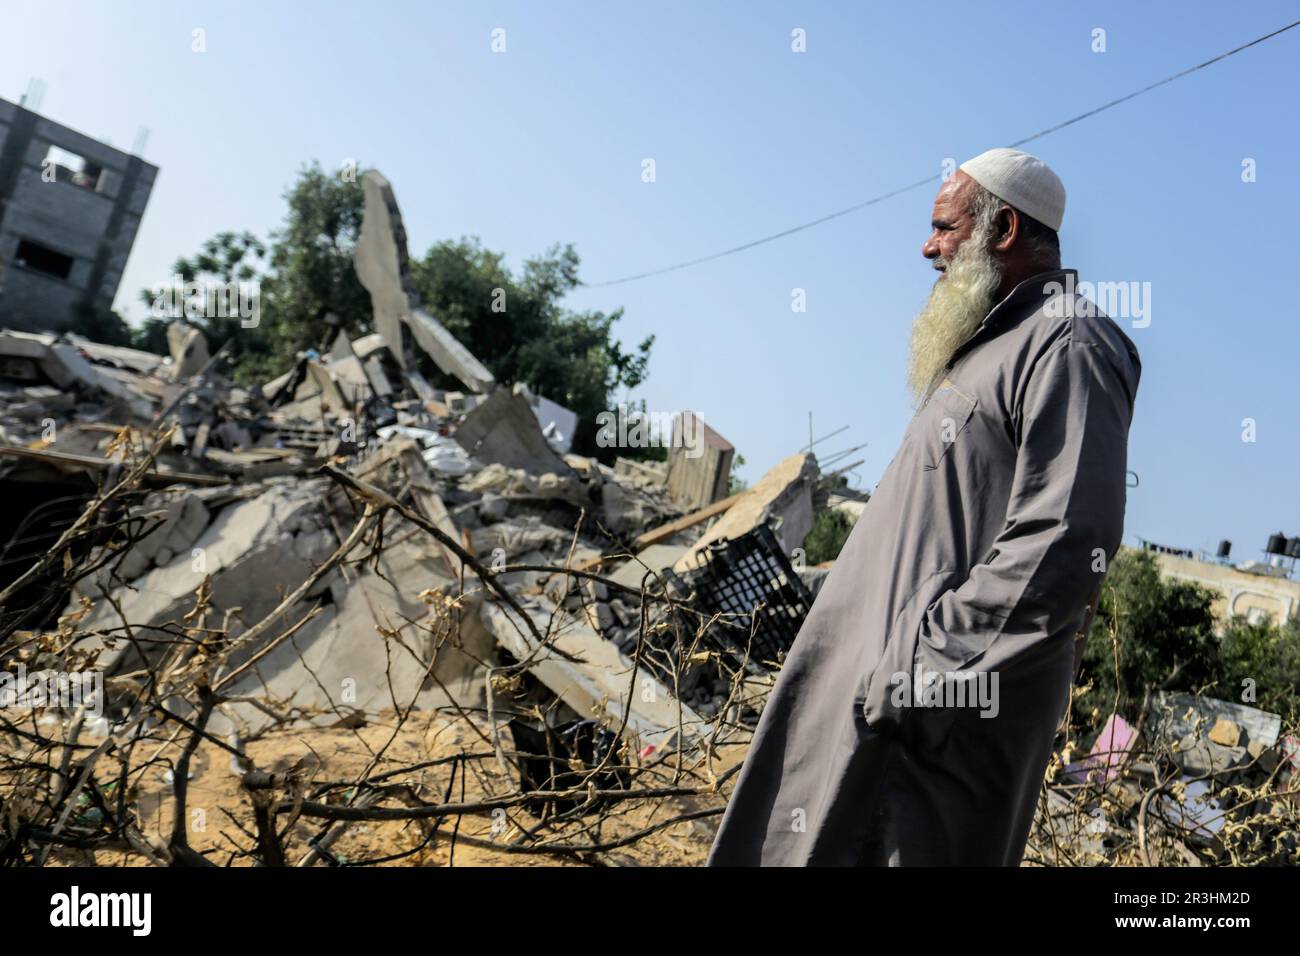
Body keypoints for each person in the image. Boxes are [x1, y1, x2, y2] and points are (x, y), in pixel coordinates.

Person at [707, 147, 1142, 866]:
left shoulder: (1069, 342)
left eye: (943, 227)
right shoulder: (991, 347)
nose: (927, 247)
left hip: (929, 732)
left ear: (1002, 228)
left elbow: (1066, 537)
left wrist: (922, 671)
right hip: (885, 709)